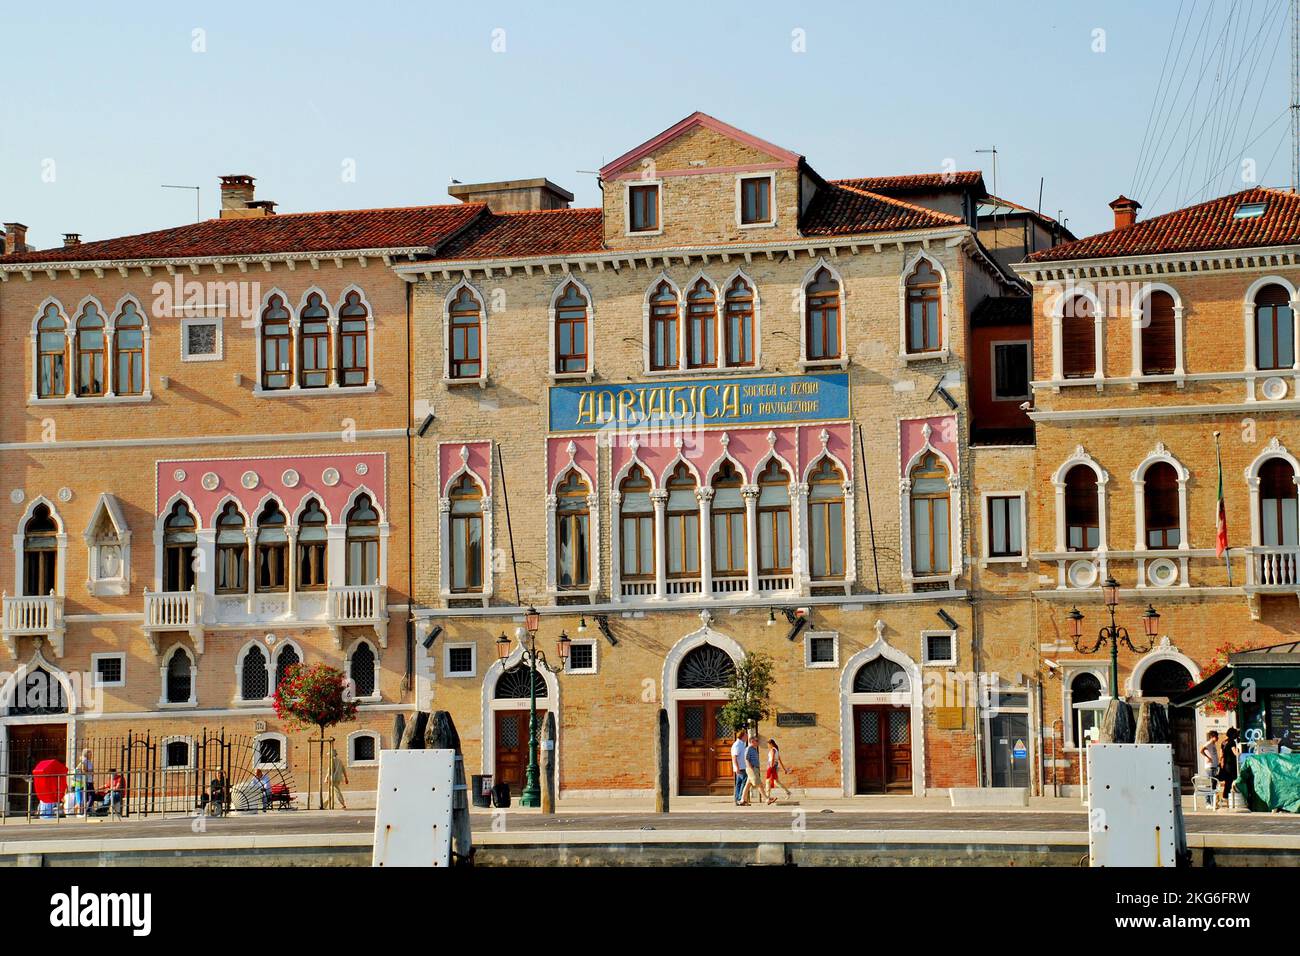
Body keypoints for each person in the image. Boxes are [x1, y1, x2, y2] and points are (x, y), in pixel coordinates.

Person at [765, 737, 792, 804]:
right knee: (776, 782)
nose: (768, 746)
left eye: (768, 744)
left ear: (771, 744)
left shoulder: (773, 750)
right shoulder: (776, 750)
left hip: (771, 766)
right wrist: (784, 769)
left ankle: (767, 798)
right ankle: (788, 792)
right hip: (774, 766)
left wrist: (771, 767)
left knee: (768, 781)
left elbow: (773, 758)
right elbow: (780, 760)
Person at [742, 732, 767, 805]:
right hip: (751, 769)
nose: (758, 742)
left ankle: (742, 800)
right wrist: (751, 768)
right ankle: (766, 799)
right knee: (759, 784)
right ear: (752, 741)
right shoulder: (748, 749)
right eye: (756, 741)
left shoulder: (754, 749)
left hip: (754, 768)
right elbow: (746, 759)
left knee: (747, 785)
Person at [1218, 728, 1240, 809]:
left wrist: (1221, 764)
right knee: (1233, 782)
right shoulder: (1232, 742)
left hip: (1225, 765)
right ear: (1233, 734)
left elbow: (1221, 754)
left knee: (1227, 782)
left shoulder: (1224, 742)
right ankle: (1229, 799)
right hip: (1231, 765)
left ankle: (1225, 799)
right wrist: (1239, 752)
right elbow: (1235, 753)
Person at [74, 749, 95, 817]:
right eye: (90, 753)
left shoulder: (89, 761)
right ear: (86, 754)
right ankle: (86, 811)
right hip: (86, 781)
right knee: (91, 796)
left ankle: (83, 811)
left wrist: (91, 772)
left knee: (86, 797)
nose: (91, 754)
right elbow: (84, 771)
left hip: (90, 781)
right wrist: (90, 771)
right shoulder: (84, 761)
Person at [730, 729, 748, 806]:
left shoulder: (742, 744)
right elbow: (734, 757)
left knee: (739, 784)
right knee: (743, 783)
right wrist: (737, 768)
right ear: (743, 736)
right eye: (746, 735)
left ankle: (738, 799)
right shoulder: (737, 744)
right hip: (741, 767)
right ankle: (740, 799)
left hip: (742, 767)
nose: (747, 737)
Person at [328, 745, 349, 810]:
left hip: (333, 778)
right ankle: (324, 804)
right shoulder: (340, 761)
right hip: (338, 778)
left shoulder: (331, 760)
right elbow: (343, 769)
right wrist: (346, 778)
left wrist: (327, 778)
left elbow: (330, 770)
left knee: (336, 791)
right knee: (331, 791)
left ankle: (343, 803)